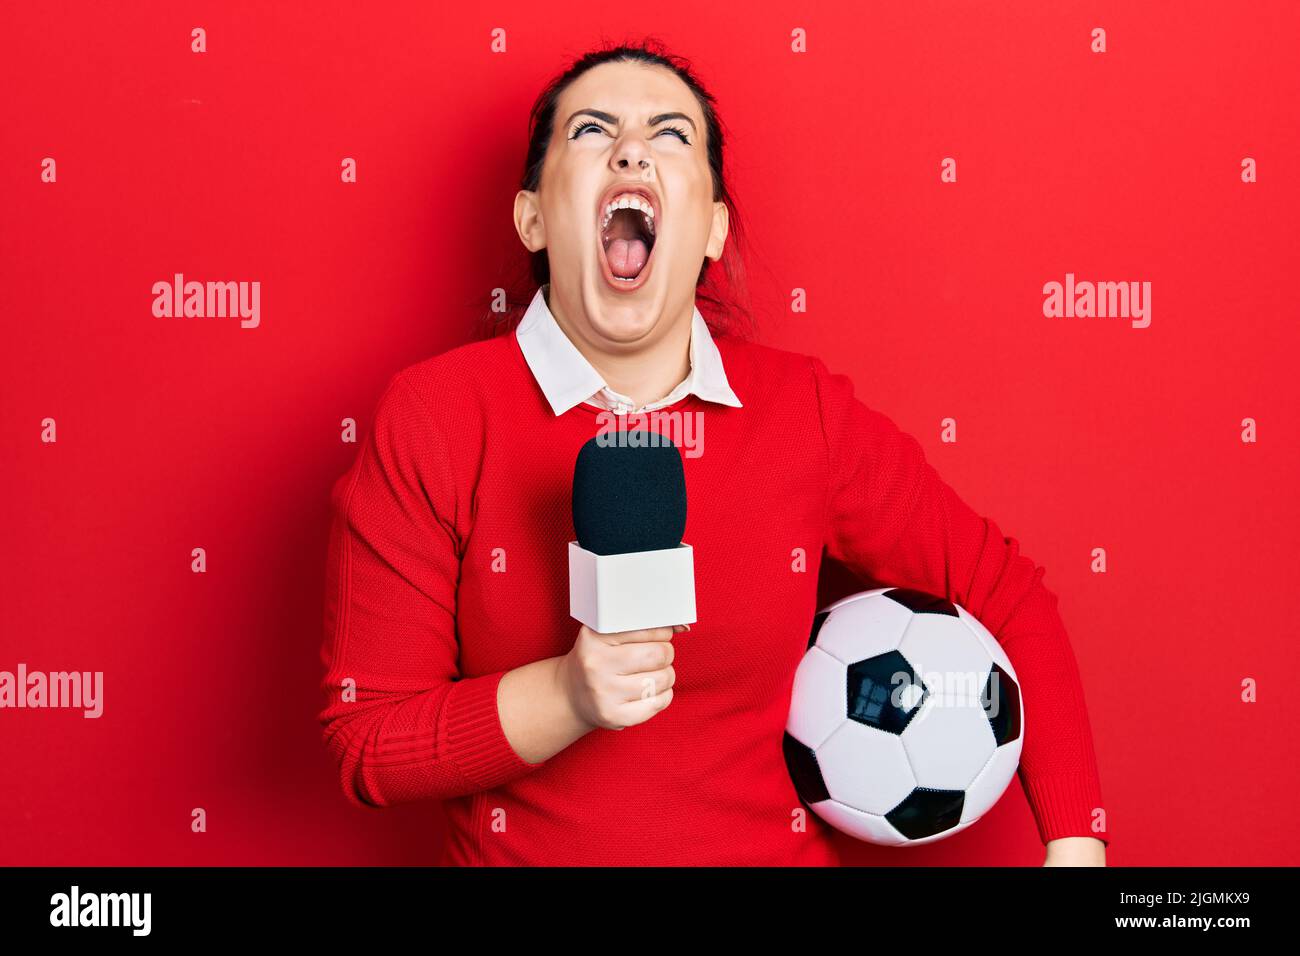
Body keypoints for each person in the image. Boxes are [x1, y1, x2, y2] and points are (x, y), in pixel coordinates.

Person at [318, 39, 1108, 866]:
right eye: (592, 131)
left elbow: (1005, 591)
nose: (630, 148)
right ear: (533, 217)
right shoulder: (436, 415)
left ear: (711, 228)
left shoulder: (803, 412)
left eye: (669, 135)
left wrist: (1077, 847)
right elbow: (366, 738)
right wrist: (567, 695)